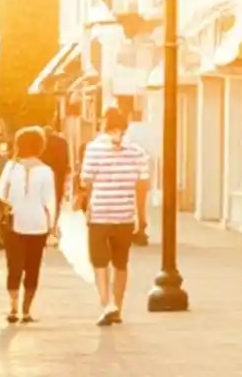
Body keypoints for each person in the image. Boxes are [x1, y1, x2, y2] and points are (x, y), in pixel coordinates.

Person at [79, 106, 149, 326]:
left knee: (100, 263)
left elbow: (86, 180)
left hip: (99, 214)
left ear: (103, 125)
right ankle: (118, 306)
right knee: (121, 263)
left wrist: (88, 203)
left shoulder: (93, 149)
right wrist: (141, 215)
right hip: (125, 214)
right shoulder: (137, 152)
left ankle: (105, 303)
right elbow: (142, 185)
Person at [0, 126, 57, 325]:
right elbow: (50, 202)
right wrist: (53, 226)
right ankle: (26, 311)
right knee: (33, 267)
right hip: (38, 225)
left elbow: (0, 195)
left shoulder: (11, 167)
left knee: (14, 266)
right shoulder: (47, 171)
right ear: (40, 146)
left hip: (14, 223)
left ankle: (12, 307)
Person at [41, 125, 71, 245]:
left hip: (43, 176)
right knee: (56, 202)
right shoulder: (62, 142)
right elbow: (66, 161)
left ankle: (45, 229)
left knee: (43, 203)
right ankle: (53, 228)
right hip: (58, 176)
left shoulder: (41, 142)